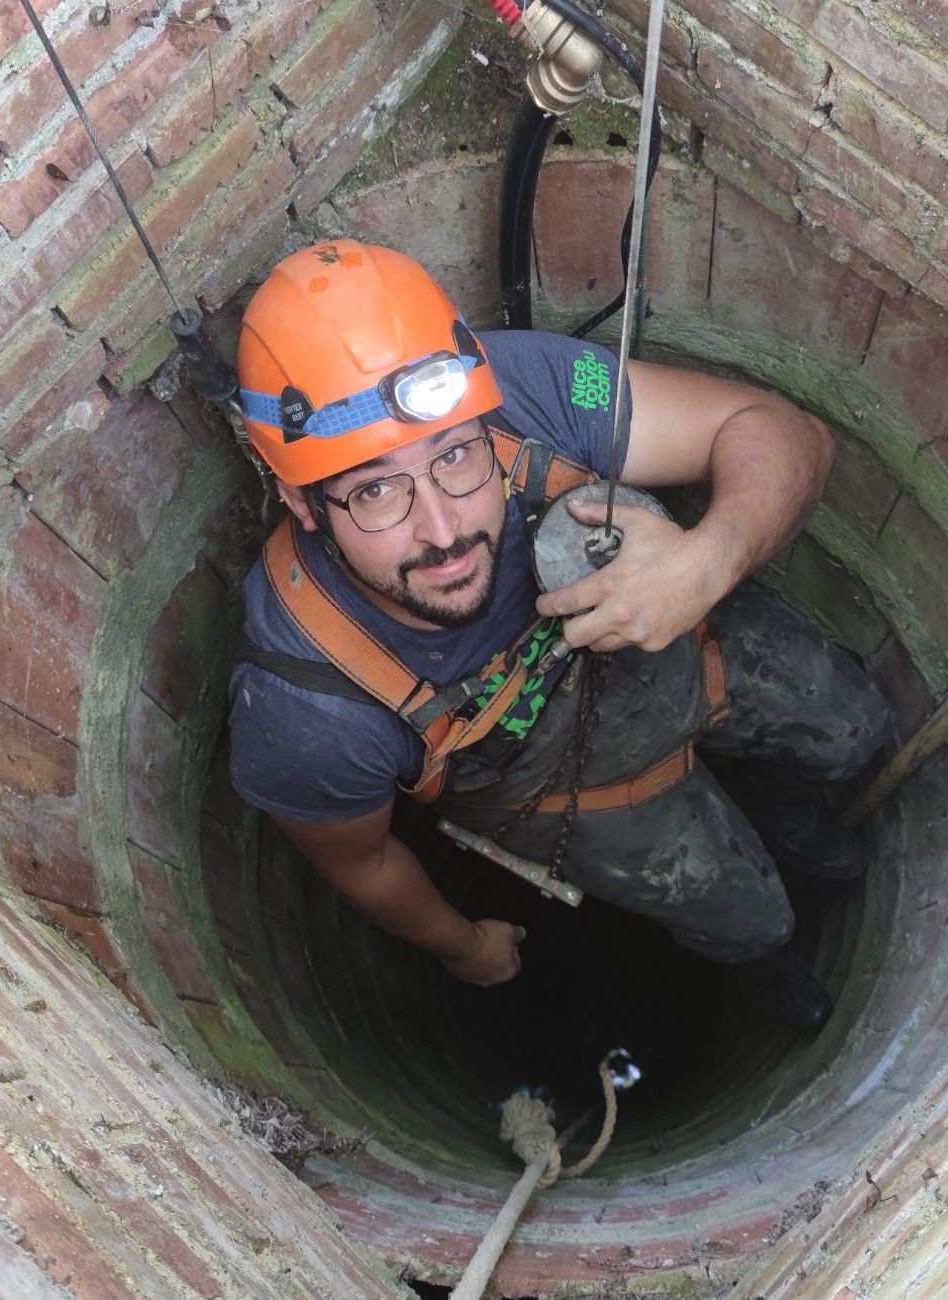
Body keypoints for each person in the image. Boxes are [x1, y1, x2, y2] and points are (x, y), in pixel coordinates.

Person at [228, 239, 889, 1030]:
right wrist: (462, 945)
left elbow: (782, 433)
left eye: (457, 458)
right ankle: (767, 964)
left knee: (856, 728)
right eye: (375, 491)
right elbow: (363, 863)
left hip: (680, 635)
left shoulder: (528, 389)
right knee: (745, 909)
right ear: (302, 505)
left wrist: (705, 564)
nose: (443, 530)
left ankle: (792, 813)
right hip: (573, 795)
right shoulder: (307, 712)